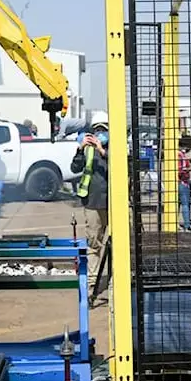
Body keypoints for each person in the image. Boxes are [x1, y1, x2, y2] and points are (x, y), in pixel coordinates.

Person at [71, 111, 110, 282]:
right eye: (96, 130)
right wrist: (80, 149)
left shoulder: (115, 150)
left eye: (103, 130)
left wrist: (102, 151)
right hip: (93, 203)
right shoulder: (87, 150)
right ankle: (93, 281)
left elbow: (120, 169)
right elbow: (74, 168)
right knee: (94, 243)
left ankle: (114, 282)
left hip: (112, 203)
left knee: (115, 245)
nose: (99, 134)